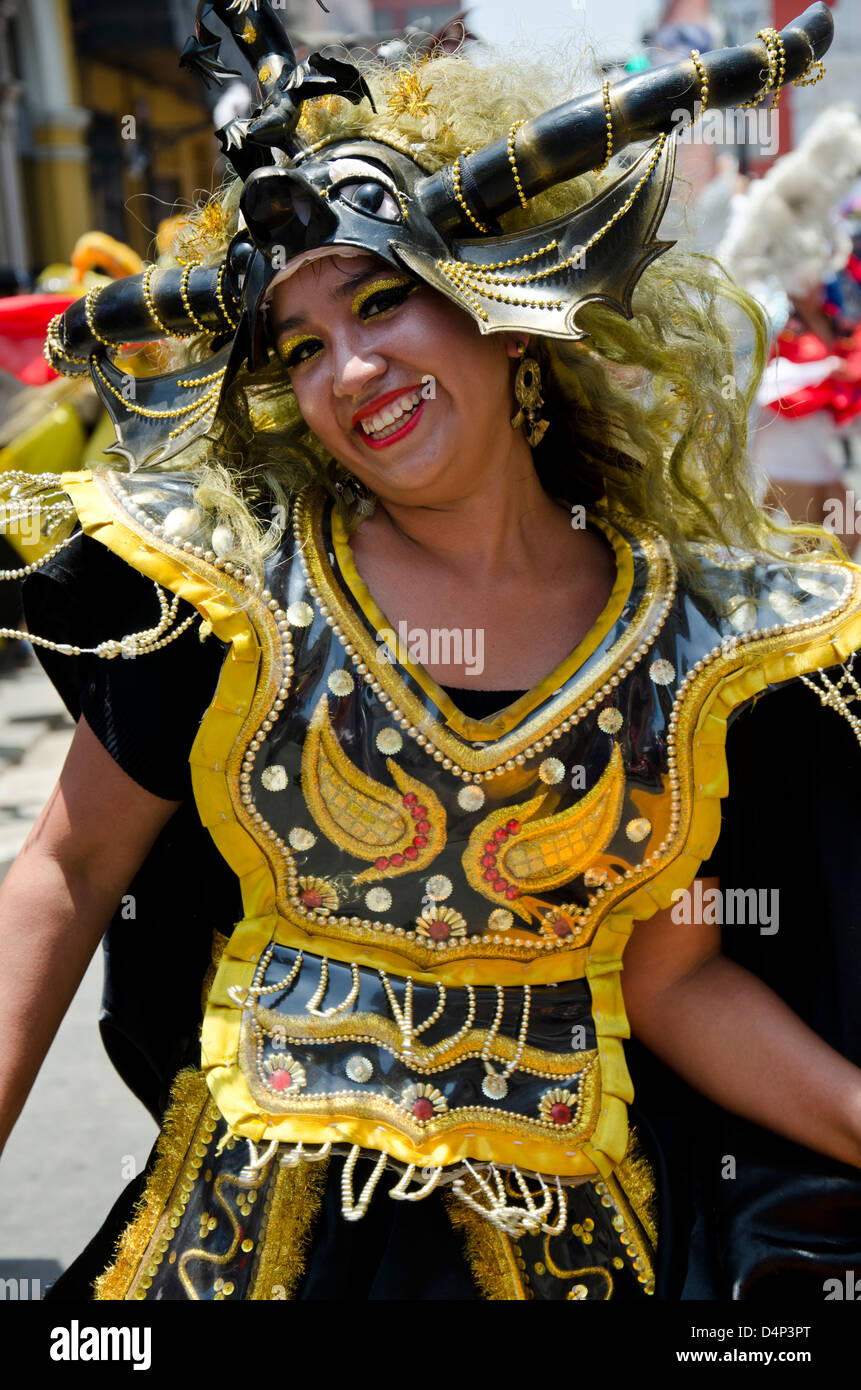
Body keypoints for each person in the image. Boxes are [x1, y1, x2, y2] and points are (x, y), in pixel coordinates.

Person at [1, 1, 858, 1302]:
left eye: (382, 300)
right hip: (247, 1249)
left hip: (572, 1247)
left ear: (504, 298)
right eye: (299, 346)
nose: (347, 368)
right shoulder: (225, 594)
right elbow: (62, 877)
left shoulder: (690, 638)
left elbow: (671, 974)